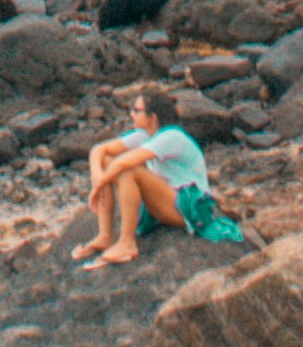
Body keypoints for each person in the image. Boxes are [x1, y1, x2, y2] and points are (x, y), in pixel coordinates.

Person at [75, 85, 234, 264]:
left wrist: (97, 186)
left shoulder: (171, 136)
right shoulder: (144, 135)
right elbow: (99, 149)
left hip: (192, 207)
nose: (131, 114)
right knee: (106, 161)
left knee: (129, 170)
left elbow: (125, 162)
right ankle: (105, 235)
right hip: (170, 199)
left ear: (152, 117)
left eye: (136, 110)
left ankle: (127, 243)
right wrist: (98, 176)